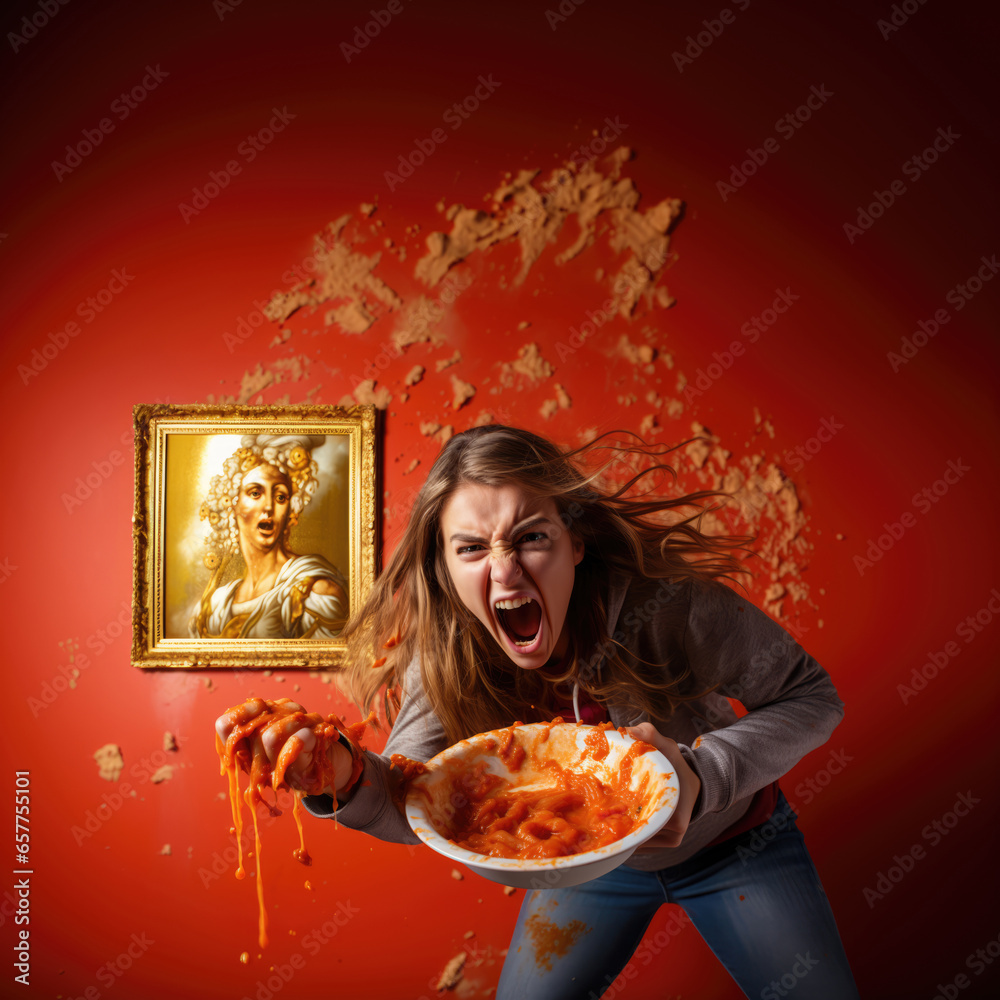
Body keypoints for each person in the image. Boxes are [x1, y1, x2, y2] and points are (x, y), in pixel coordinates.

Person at [219, 424, 859, 998]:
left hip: (735, 841)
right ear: (443, 569)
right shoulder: (442, 653)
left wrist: (702, 773)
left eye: (530, 538)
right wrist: (341, 775)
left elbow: (813, 697)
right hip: (585, 868)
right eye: (470, 549)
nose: (504, 571)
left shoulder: (668, 606)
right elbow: (410, 794)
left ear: (575, 542)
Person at [190, 434, 348, 639]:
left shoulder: (314, 592)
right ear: (232, 504)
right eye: (255, 493)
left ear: (290, 508)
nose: (268, 507)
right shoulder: (216, 603)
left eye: (280, 496)